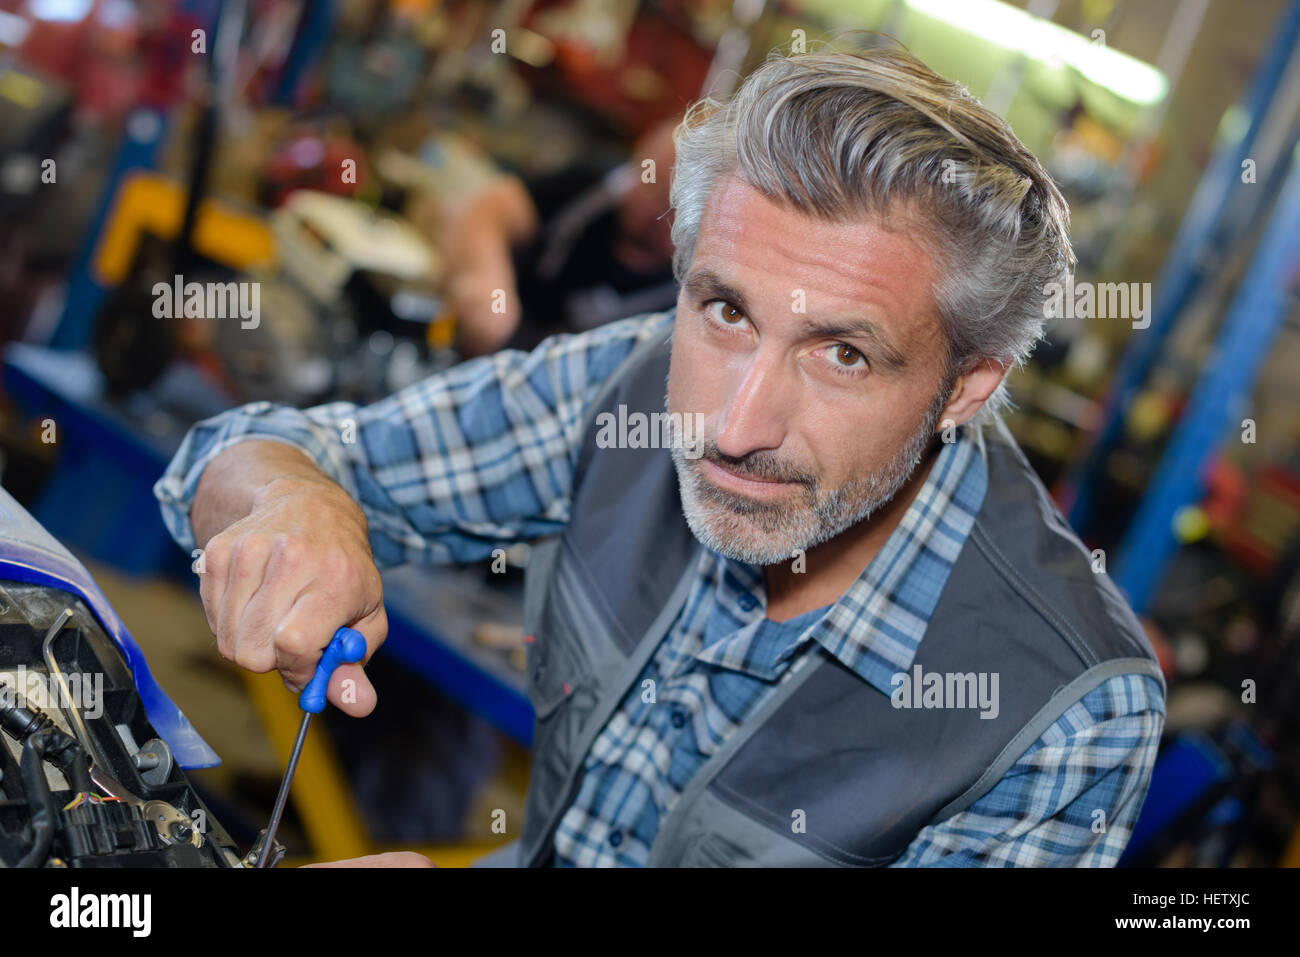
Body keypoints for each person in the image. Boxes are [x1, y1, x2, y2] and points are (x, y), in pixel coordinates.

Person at [154, 43, 1165, 867]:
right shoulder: (629, 391)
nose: (732, 425)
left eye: (843, 354)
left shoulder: (1063, 707)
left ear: (967, 387)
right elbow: (240, 453)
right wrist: (294, 497)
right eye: (726, 310)